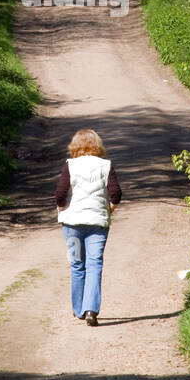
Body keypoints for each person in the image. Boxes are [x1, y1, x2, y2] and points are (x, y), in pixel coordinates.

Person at [55, 128, 122, 326]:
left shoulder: (71, 165)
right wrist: (109, 209)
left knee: (77, 264)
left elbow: (60, 193)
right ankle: (91, 309)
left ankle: (78, 310)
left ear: (75, 146)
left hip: (72, 223)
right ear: (97, 145)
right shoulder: (106, 165)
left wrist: (61, 208)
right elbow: (116, 193)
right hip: (98, 223)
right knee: (95, 264)